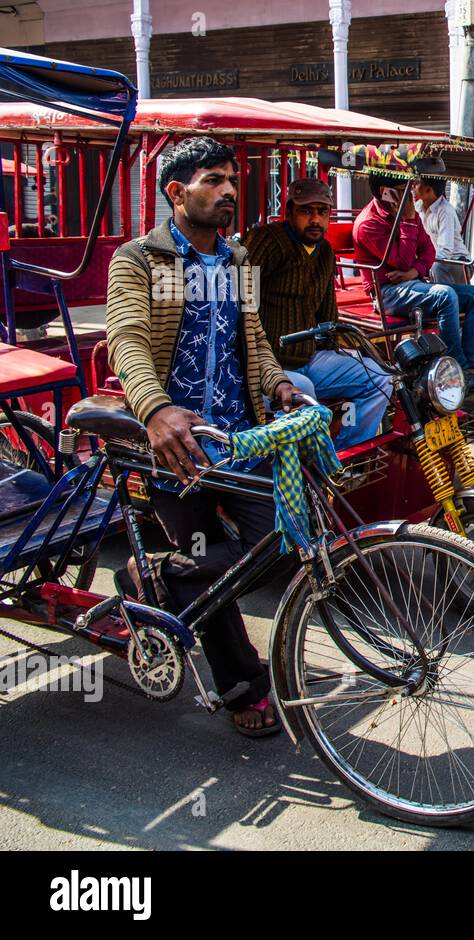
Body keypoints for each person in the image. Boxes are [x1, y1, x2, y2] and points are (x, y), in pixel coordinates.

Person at [106, 136, 300, 737]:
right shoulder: (139, 260)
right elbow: (127, 339)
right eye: (213, 180)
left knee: (281, 541)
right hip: (174, 447)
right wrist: (156, 409)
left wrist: (278, 386)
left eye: (230, 181)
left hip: (238, 439)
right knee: (209, 553)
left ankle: (153, 579)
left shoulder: (237, 260)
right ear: (176, 192)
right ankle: (243, 683)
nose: (227, 191)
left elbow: (256, 343)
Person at [242, 177, 393, 451]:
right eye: (306, 211)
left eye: (322, 212)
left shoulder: (323, 250)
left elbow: (328, 314)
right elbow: (238, 298)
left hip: (310, 359)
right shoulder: (268, 241)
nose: (315, 219)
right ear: (289, 212)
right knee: (304, 392)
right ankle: (308, 473)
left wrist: (338, 349)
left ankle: (346, 458)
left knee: (380, 377)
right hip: (268, 367)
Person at [353, 175, 474, 389]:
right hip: (387, 292)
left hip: (413, 283)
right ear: (385, 192)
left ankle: (472, 368)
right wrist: (408, 221)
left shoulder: (409, 210)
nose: (410, 193)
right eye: (403, 188)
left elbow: (428, 249)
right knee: (445, 295)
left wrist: (414, 270)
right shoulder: (369, 223)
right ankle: (456, 370)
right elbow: (401, 260)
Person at [414, 177, 473, 287]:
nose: (414, 186)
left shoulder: (445, 211)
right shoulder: (417, 207)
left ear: (429, 190)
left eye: (418, 183)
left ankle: (445, 300)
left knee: (436, 266)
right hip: (435, 259)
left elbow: (446, 250)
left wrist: (425, 262)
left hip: (457, 261)